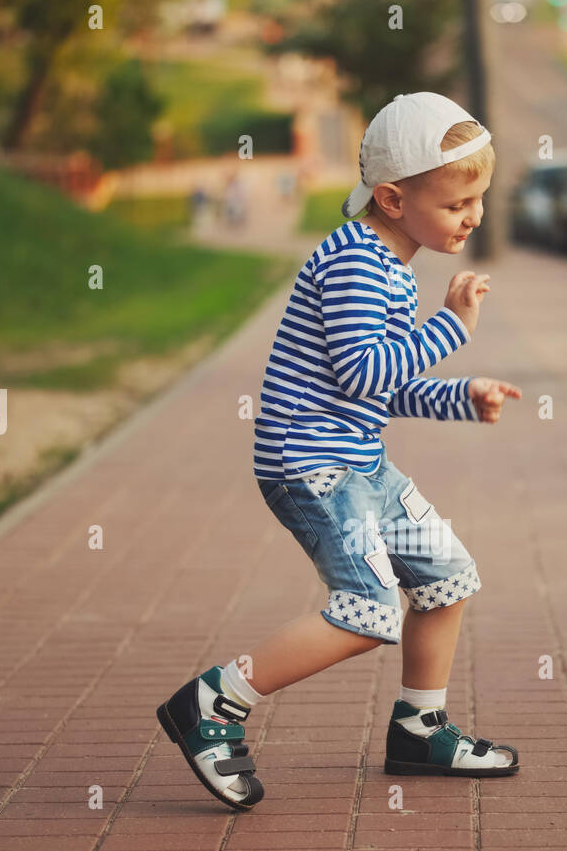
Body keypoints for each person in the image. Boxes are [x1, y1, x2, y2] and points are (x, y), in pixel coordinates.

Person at [156, 92, 522, 810]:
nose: (473, 214)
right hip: (312, 468)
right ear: (392, 198)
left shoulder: (387, 261)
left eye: (478, 197)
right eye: (457, 202)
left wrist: (459, 396)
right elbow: (364, 372)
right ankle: (211, 703)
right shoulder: (357, 262)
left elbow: (375, 388)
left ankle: (420, 730)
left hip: (356, 460)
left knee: (447, 576)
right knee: (368, 609)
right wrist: (452, 327)